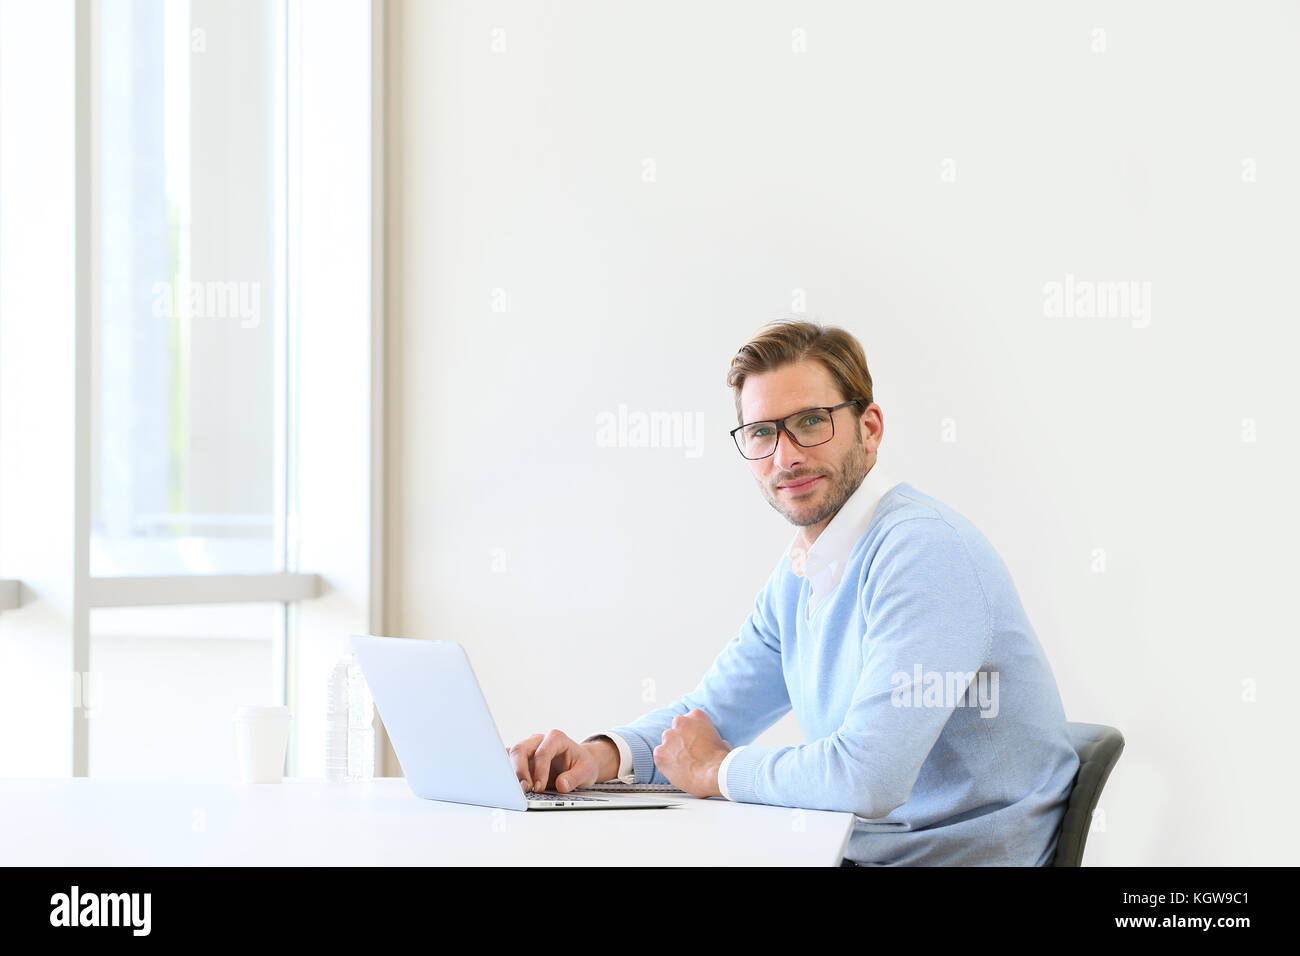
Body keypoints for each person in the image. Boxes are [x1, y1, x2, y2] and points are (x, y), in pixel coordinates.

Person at [508, 319, 1079, 865]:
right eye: (762, 432)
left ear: (870, 428)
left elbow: (867, 776)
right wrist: (598, 758)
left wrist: (719, 771)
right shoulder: (806, 570)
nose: (786, 456)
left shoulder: (924, 553)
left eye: (810, 421)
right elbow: (704, 719)